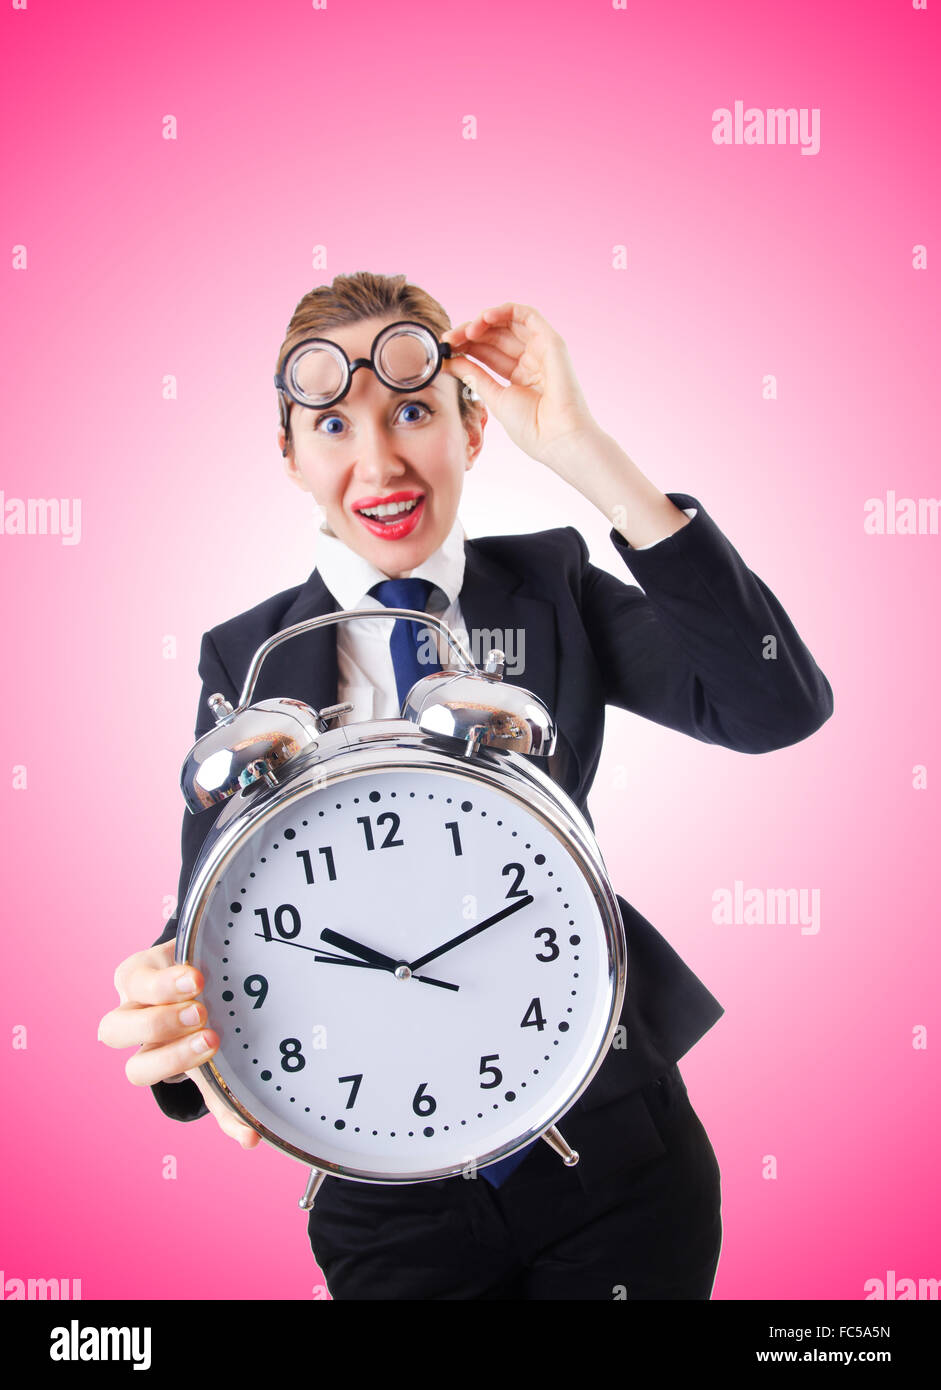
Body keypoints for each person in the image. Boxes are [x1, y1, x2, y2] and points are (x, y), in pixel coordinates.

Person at [98, 271, 833, 1300]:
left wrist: (586, 454)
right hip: (383, 1179)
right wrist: (166, 1012)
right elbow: (216, 910)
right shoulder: (247, 658)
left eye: (411, 411)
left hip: (612, 1143)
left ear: (472, 428)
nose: (379, 462)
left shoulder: (550, 589)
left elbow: (772, 706)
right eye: (332, 427)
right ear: (289, 456)